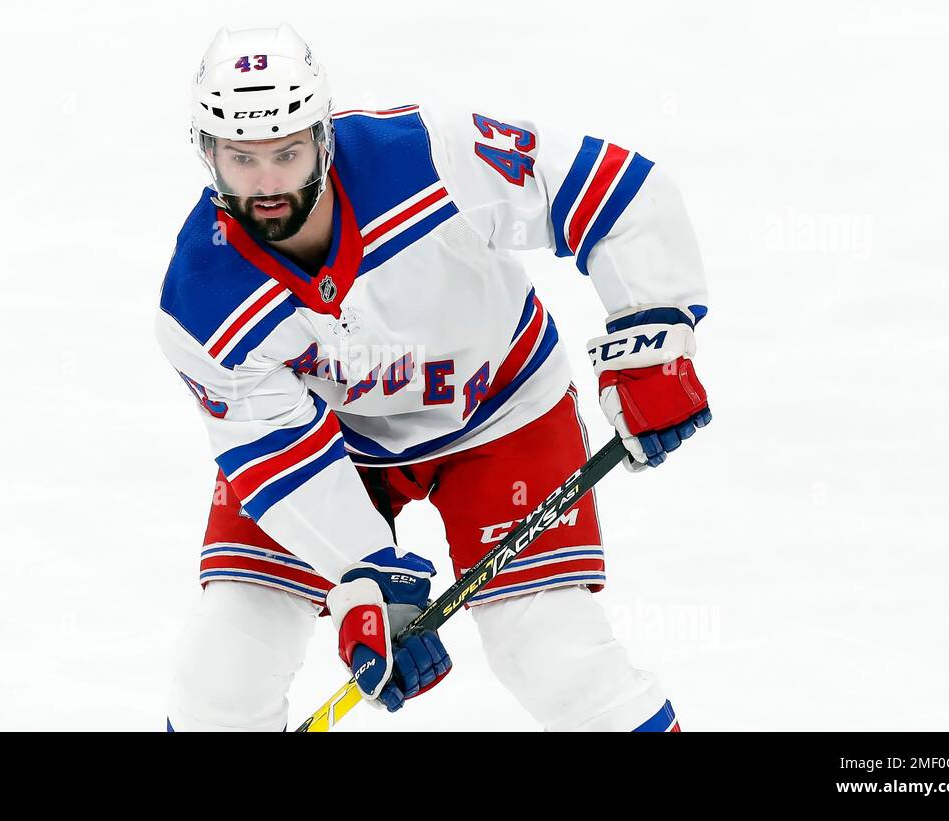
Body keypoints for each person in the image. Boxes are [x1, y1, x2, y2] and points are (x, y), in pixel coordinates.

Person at [157, 22, 710, 731]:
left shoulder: (427, 158)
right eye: (241, 158)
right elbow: (276, 458)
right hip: (335, 449)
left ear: (324, 138)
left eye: (288, 153)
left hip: (503, 412)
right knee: (223, 674)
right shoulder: (200, 303)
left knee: (553, 655)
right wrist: (366, 574)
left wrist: (653, 332)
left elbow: (615, 194)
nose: (266, 184)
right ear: (207, 154)